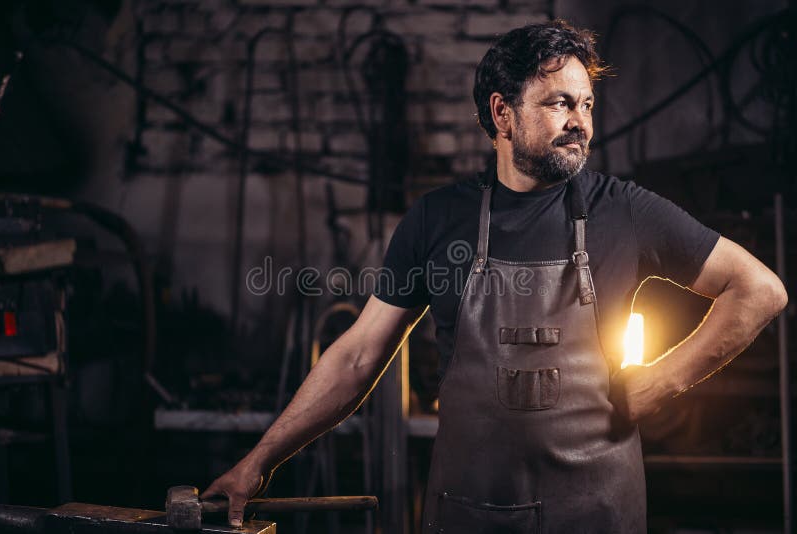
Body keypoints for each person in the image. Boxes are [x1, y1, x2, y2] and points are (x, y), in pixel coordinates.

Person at [203, 20, 787, 532]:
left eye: (586, 104)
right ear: (502, 113)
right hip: (468, 512)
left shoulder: (624, 210)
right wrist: (258, 463)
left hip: (596, 515)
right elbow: (358, 358)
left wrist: (665, 380)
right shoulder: (436, 219)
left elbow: (760, 289)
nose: (580, 121)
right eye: (559, 103)